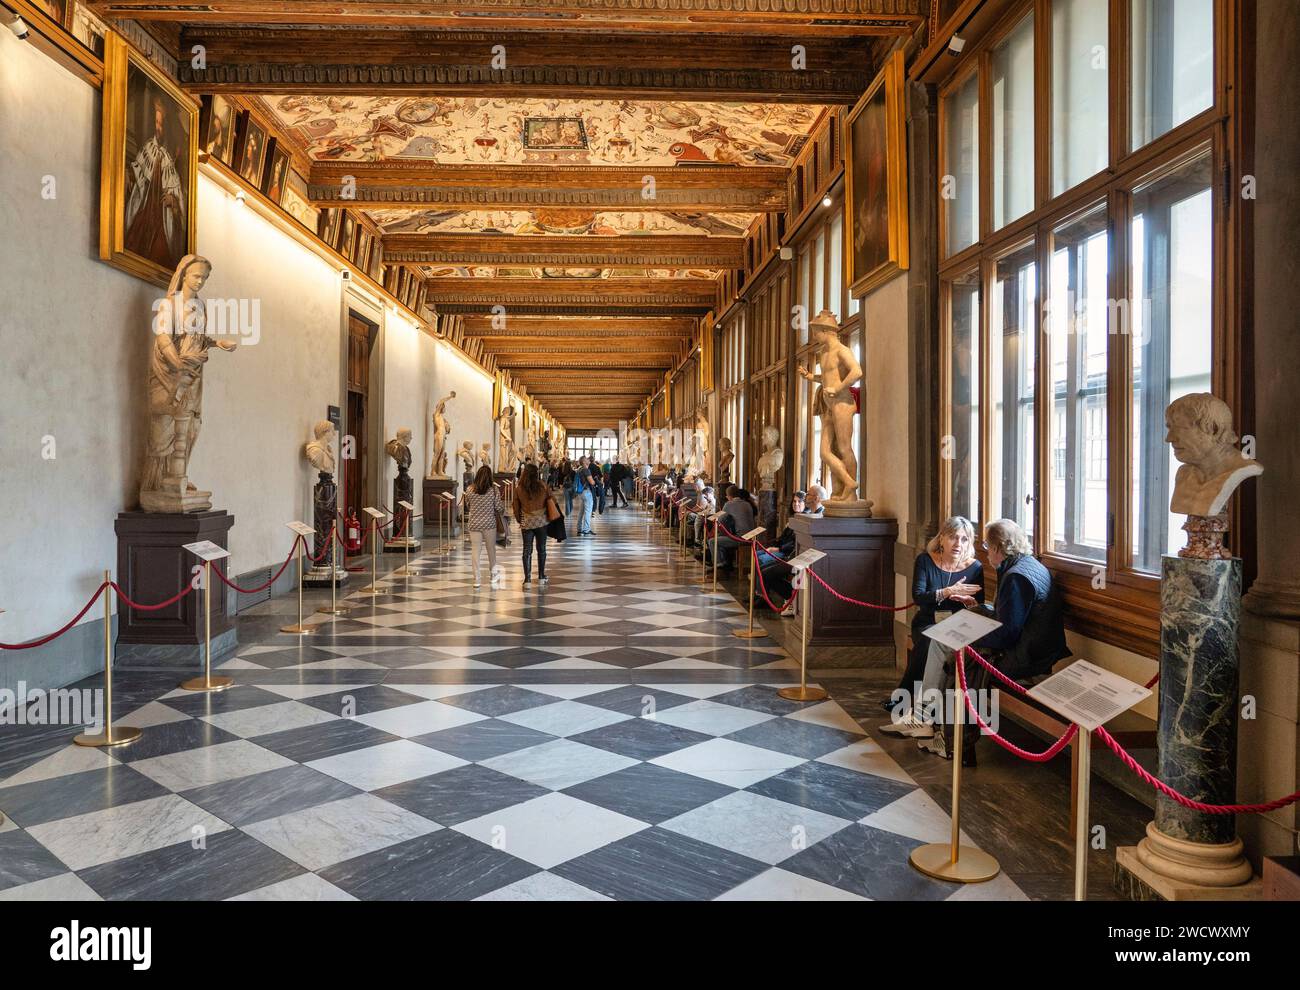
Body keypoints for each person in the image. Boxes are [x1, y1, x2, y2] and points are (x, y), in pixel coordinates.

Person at [915, 518, 1070, 763]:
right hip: (1035, 648)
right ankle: (930, 720)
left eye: (987, 546)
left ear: (999, 548)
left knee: (956, 656)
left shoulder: (1016, 577)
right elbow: (1009, 618)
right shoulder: (1026, 565)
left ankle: (947, 736)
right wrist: (979, 611)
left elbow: (1007, 634)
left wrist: (968, 637)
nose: (985, 553)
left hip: (1025, 656)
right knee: (946, 642)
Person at [878, 516, 984, 737]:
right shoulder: (926, 560)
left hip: (957, 626)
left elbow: (979, 607)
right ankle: (915, 709)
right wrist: (945, 592)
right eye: (953, 537)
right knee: (928, 641)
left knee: (936, 643)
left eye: (964, 539)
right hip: (928, 621)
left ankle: (906, 704)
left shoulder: (975, 567)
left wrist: (970, 603)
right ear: (942, 538)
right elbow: (918, 597)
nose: (958, 544)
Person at [460, 465, 504, 590]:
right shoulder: (493, 490)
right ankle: (493, 575)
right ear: (490, 476)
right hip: (489, 524)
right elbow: (499, 507)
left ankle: (477, 579)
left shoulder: (469, 489)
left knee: (475, 551)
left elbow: (468, 505)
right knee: (491, 550)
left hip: (474, 524)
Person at [512, 462, 552, 587]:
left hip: (527, 522)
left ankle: (527, 580)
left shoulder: (519, 488)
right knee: (542, 549)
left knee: (526, 550)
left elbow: (515, 506)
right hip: (541, 522)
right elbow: (551, 500)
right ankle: (541, 577)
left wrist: (520, 519)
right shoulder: (543, 486)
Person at [707, 485, 757, 571]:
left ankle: (719, 566)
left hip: (740, 538)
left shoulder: (729, 504)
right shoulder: (747, 504)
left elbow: (720, 520)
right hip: (752, 537)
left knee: (712, 541)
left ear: (729, 496)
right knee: (723, 538)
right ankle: (726, 563)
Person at [575, 456, 596, 536]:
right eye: (587, 459)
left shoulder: (579, 470)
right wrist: (595, 481)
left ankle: (579, 529)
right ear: (584, 462)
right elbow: (592, 482)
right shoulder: (586, 470)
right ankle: (586, 529)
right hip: (587, 492)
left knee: (581, 511)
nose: (588, 460)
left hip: (581, 493)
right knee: (588, 511)